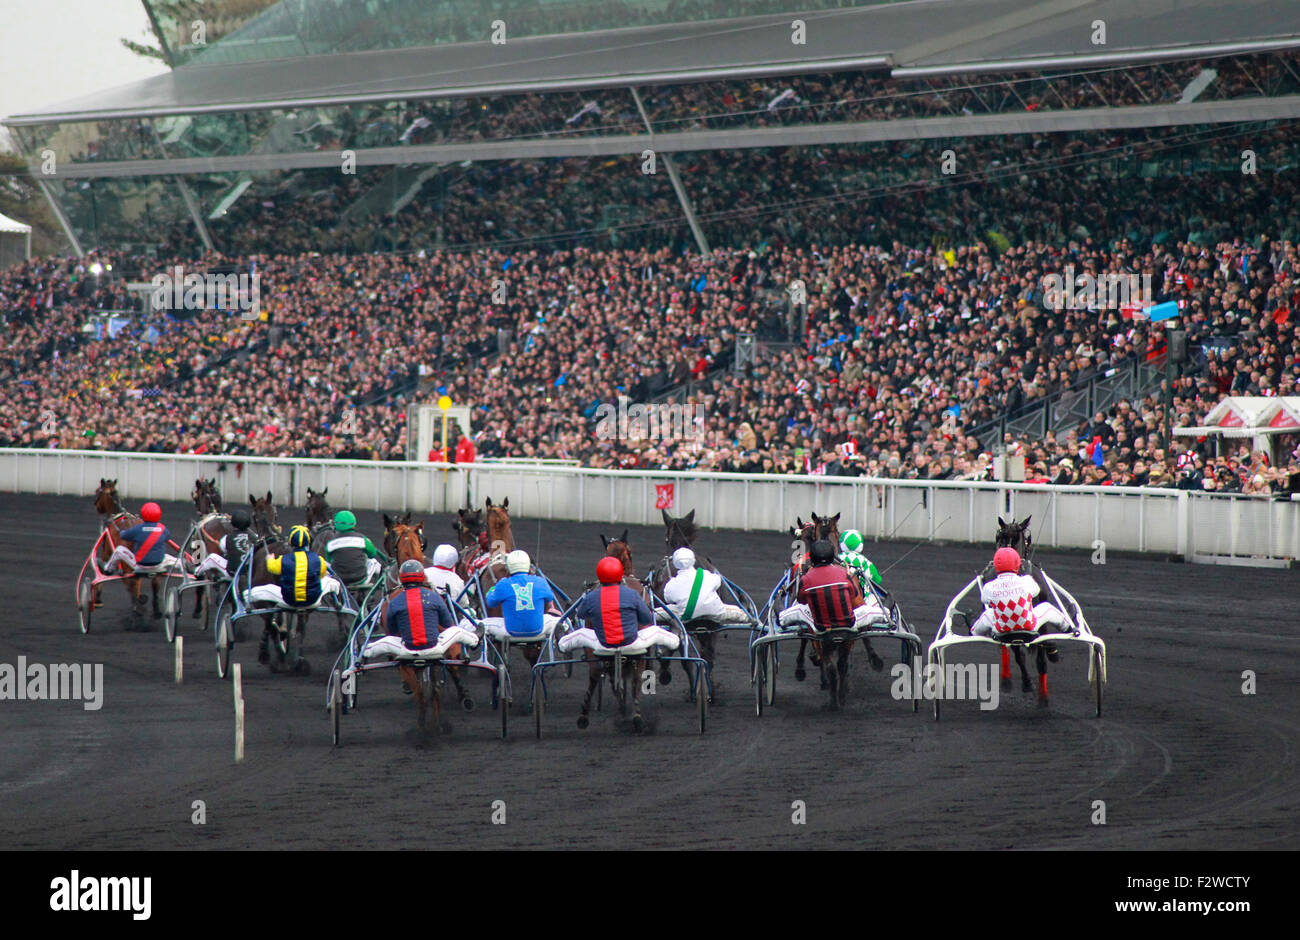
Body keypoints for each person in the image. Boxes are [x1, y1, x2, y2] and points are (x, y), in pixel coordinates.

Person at [559, 556, 680, 652]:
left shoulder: (592, 596)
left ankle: (560, 642)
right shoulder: (632, 594)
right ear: (620, 574)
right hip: (632, 643)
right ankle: (677, 638)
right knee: (658, 632)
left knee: (578, 635)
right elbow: (646, 619)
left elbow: (581, 615)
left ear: (599, 575)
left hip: (602, 644)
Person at [778, 540, 881, 631]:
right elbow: (853, 594)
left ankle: (780, 615)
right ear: (832, 557)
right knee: (869, 611)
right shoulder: (844, 573)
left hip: (819, 625)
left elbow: (801, 600)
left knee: (799, 609)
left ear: (812, 559)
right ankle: (887, 613)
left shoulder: (806, 579)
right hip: (849, 623)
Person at [970, 547, 1068, 638]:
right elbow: (1036, 592)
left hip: (1001, 631)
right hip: (1029, 627)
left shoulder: (989, 587)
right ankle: (1067, 628)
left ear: (995, 565)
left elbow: (984, 600)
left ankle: (974, 632)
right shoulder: (1026, 581)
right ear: (1017, 563)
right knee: (1047, 608)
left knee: (988, 613)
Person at [253, 525, 343, 608]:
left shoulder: (283, 559)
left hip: (288, 601)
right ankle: (337, 601)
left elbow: (271, 568)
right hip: (313, 600)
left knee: (263, 589)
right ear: (308, 542)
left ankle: (245, 600)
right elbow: (322, 575)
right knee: (332, 581)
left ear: (290, 542)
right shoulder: (318, 560)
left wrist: (269, 558)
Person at [483, 549, 562, 640]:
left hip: (510, 632)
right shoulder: (540, 581)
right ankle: (564, 644)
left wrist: (492, 590)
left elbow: (490, 602)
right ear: (528, 566)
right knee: (562, 622)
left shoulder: (503, 584)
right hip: (538, 630)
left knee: (478, 624)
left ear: (508, 567)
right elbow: (549, 598)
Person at [660, 547, 747, 623]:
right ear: (693, 561)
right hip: (714, 611)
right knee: (739, 613)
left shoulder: (672, 584)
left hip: (686, 616)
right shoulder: (706, 574)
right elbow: (718, 582)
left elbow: (668, 599)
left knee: (656, 613)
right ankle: (750, 619)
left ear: (675, 564)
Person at [321, 510, 387, 590]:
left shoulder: (330, 544)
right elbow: (372, 554)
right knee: (373, 561)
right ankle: (382, 584)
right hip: (360, 578)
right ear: (353, 523)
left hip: (339, 579)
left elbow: (329, 560)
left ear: (336, 524)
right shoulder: (363, 539)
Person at [105, 501, 176, 573]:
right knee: (170, 558)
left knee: (119, 550)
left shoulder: (137, 529)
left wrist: (122, 532)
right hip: (159, 565)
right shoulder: (163, 529)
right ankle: (184, 566)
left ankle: (108, 569)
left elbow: (124, 536)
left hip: (140, 565)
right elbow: (167, 536)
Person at [192, 507, 254, 579]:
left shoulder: (227, 538)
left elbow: (224, 550)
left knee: (212, 557)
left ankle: (196, 571)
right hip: (250, 571)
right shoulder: (254, 536)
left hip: (233, 572)